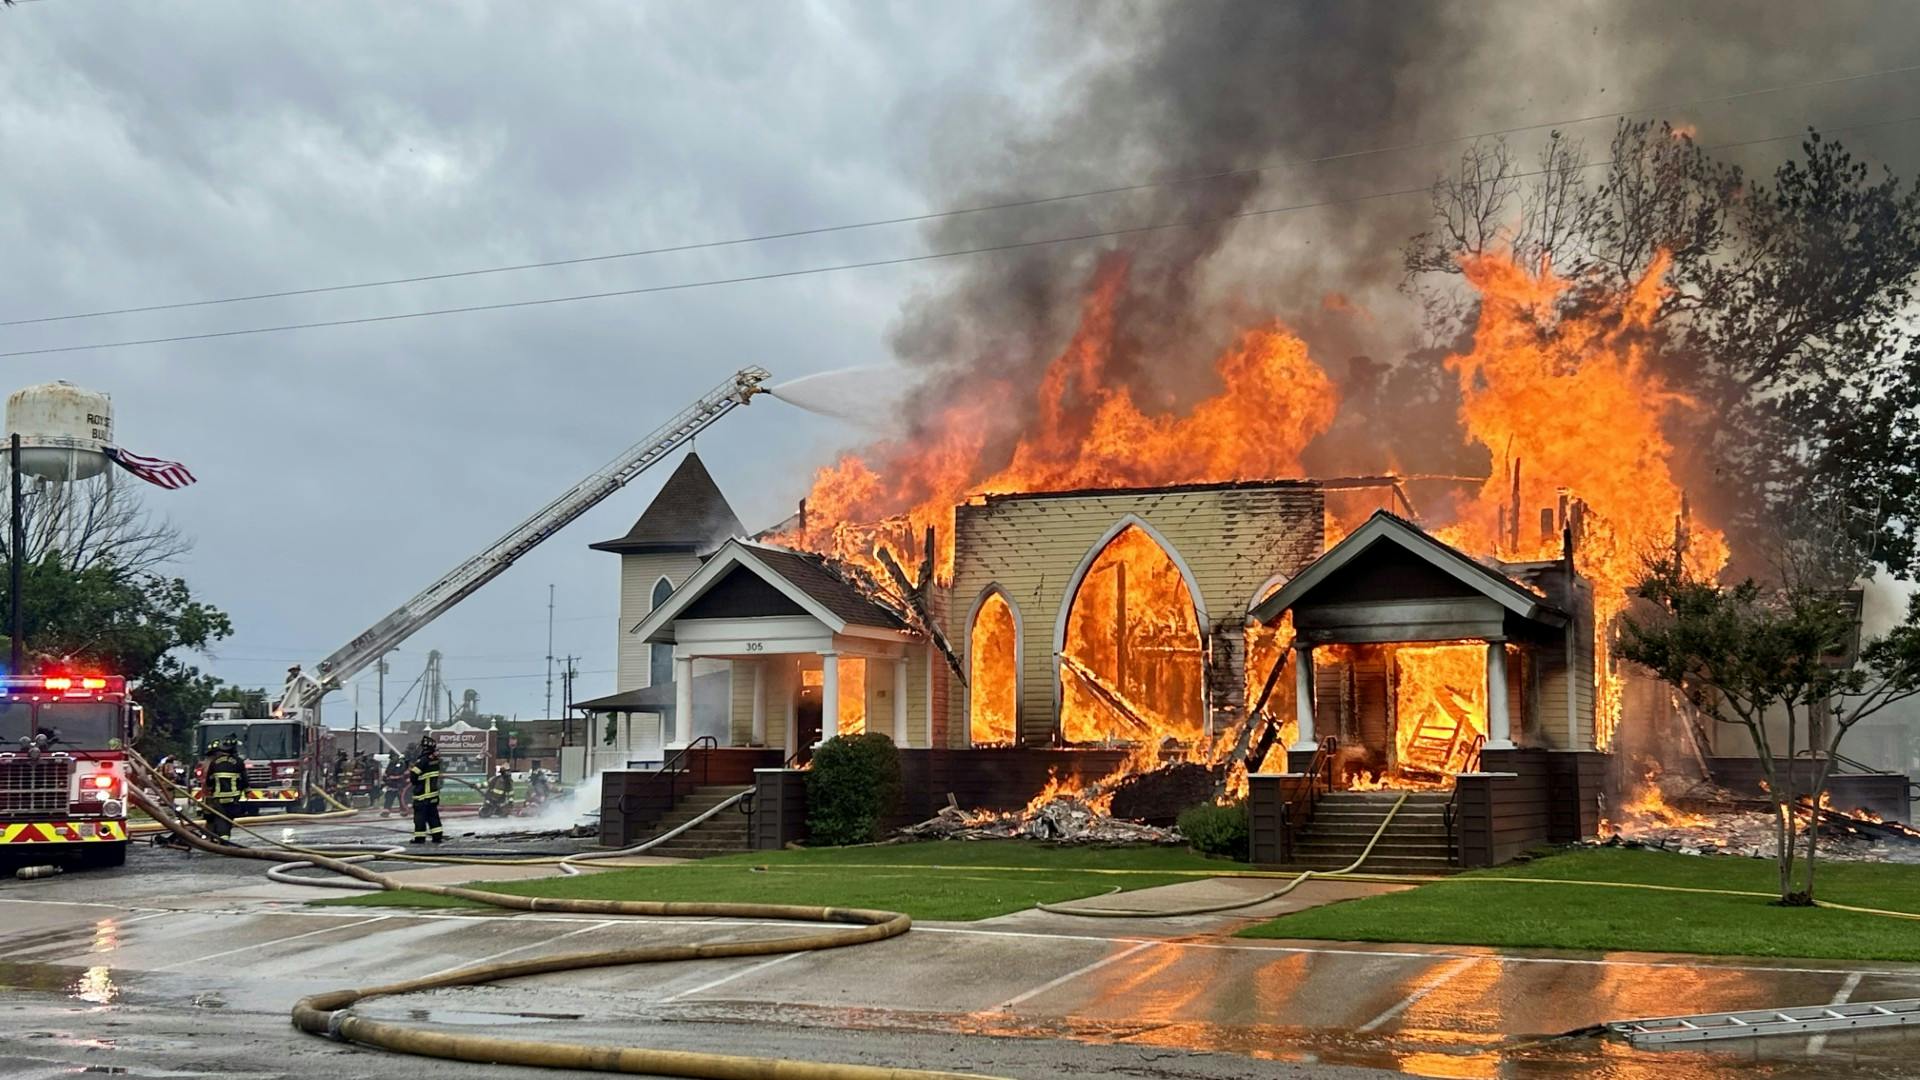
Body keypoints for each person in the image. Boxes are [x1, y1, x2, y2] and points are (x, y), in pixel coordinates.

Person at [200, 737, 246, 842]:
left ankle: (212, 838)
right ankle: (214, 839)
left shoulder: (210, 762)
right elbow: (209, 781)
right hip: (212, 797)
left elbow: (208, 781)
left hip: (212, 797)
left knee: (215, 819)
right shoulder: (213, 763)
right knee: (218, 819)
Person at [408, 737, 444, 844]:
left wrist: (411, 767)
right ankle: (437, 837)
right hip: (433, 795)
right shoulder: (434, 760)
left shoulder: (422, 760)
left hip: (422, 795)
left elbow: (413, 776)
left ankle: (419, 838)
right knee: (433, 817)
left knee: (419, 818)